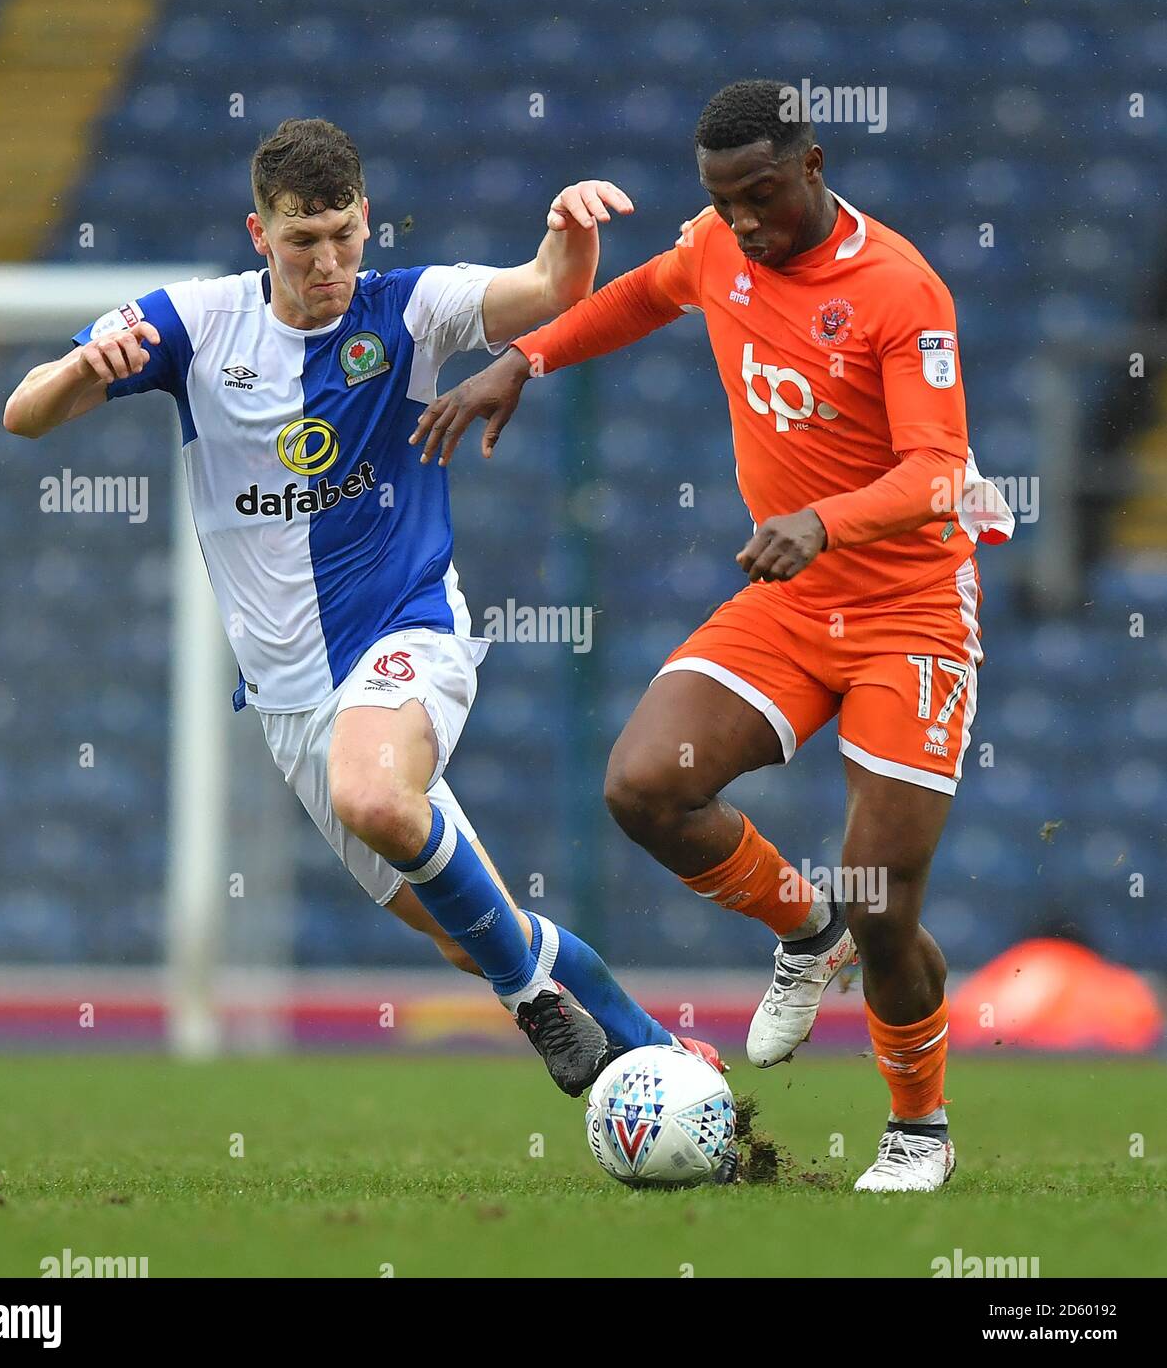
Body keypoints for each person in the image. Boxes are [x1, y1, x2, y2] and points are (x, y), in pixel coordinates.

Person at [3, 117, 723, 1097]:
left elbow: (549, 290)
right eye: (303, 242)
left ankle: (540, 1007)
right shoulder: (195, 325)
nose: (329, 261)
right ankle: (664, 1057)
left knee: (378, 797)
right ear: (260, 235)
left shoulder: (409, 309)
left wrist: (573, 229)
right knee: (481, 937)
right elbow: (24, 413)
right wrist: (84, 367)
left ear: (367, 222)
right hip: (292, 705)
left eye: (344, 234)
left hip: (407, 635)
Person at [409, 80, 1014, 1187]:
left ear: (813, 165)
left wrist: (820, 521)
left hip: (907, 613)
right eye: (723, 199)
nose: (742, 221)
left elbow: (935, 471)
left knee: (887, 903)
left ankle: (917, 1128)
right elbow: (640, 294)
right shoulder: (716, 244)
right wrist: (522, 360)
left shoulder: (901, 290)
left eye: (762, 194)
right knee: (645, 785)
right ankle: (804, 929)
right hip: (791, 601)